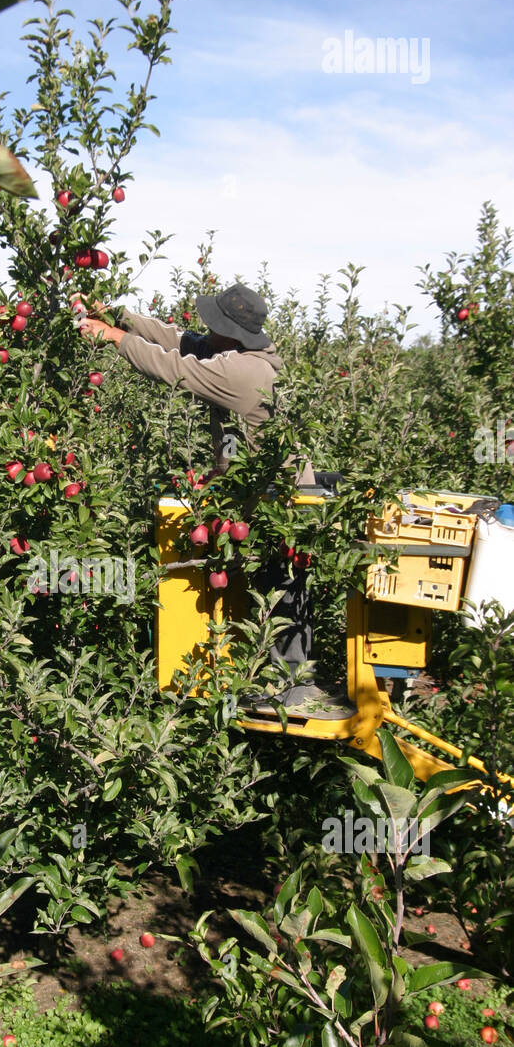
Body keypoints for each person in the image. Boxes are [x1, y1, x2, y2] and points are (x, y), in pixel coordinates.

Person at [77, 282, 354, 719]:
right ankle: (271, 679)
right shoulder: (235, 354)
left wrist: (115, 339)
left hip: (282, 499)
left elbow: (173, 366)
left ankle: (292, 688)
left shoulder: (244, 374)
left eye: (215, 324)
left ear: (231, 332)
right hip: (254, 493)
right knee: (268, 586)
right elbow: (181, 340)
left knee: (283, 588)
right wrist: (118, 315)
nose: (207, 330)